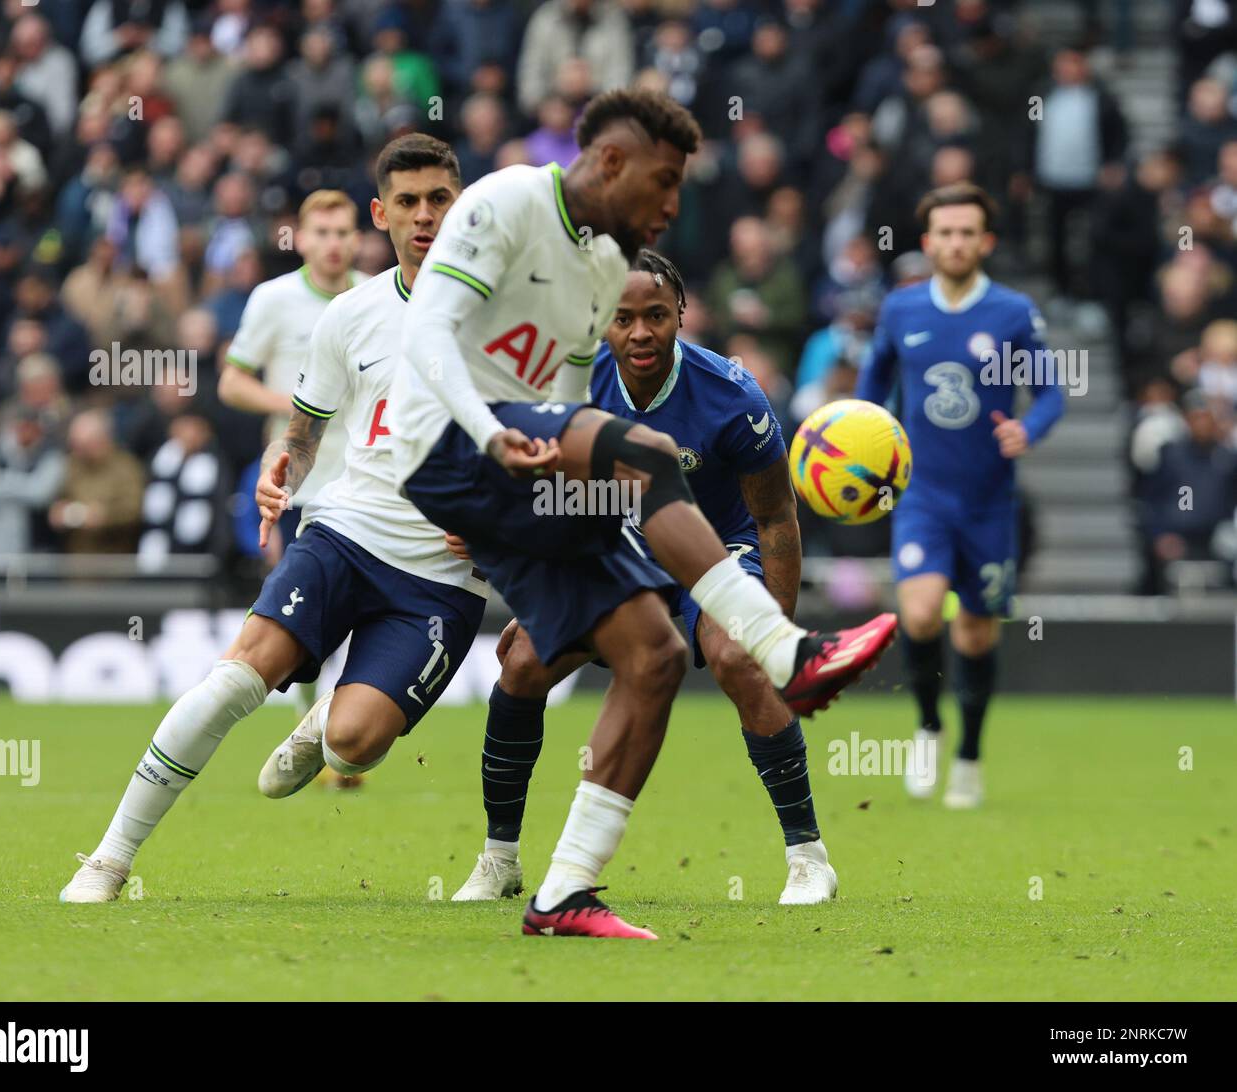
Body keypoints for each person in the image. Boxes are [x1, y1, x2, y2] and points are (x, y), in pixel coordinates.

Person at [388, 88, 896, 938]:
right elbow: (428, 337)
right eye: (664, 184)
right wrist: (493, 442)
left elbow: (559, 401)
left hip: (555, 482)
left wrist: (529, 493)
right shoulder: (505, 199)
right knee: (645, 455)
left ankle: (565, 894)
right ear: (612, 162)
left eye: (679, 192)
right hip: (447, 438)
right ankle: (791, 656)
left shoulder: (603, 273)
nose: (671, 207)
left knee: (654, 658)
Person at [59, 135, 489, 903]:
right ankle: (109, 859)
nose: (425, 216)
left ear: (463, 205)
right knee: (235, 677)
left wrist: (503, 524)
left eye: (441, 199)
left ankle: (323, 723)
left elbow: (548, 433)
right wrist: (278, 463)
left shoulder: (506, 318)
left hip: (441, 575)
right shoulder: (349, 316)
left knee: (354, 746)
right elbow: (307, 418)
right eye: (409, 201)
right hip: (346, 529)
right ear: (379, 213)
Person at [449, 250, 840, 908]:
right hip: (616, 557)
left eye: (656, 316)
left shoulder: (734, 396)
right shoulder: (565, 386)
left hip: (718, 552)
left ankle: (808, 859)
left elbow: (775, 518)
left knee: (735, 654)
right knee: (518, 661)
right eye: (622, 317)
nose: (639, 333)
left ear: (681, 315)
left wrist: (775, 629)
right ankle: (499, 859)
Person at [856, 182, 1064, 809]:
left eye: (966, 232)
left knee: (975, 631)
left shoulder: (1012, 313)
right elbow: (874, 384)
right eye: (944, 233)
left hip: (989, 502)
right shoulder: (901, 310)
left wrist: (1028, 428)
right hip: (923, 494)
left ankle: (969, 756)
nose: (955, 242)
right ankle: (927, 726)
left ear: (985, 241)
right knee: (919, 614)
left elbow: (1051, 390)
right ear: (927, 242)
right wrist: (863, 434)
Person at [219, 189, 365, 555]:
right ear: (300, 239)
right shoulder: (273, 298)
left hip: (365, 486)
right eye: (321, 232)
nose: (333, 242)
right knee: (298, 609)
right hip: (298, 487)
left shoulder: (375, 295)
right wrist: (300, 404)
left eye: (342, 232)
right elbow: (231, 383)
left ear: (357, 239)